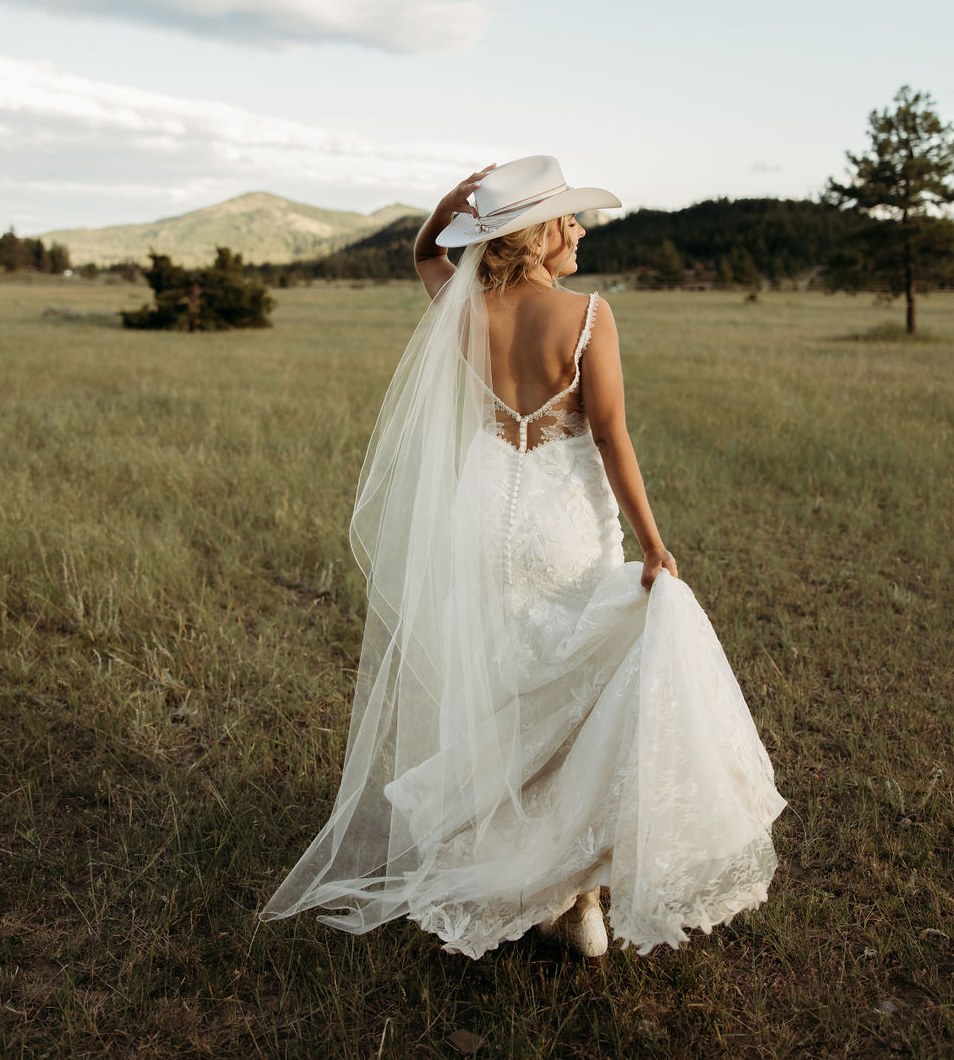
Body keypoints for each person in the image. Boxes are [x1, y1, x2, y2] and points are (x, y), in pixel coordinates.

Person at [261, 156, 786, 960]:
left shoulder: (466, 310)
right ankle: (577, 893)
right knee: (578, 690)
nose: (580, 229)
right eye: (568, 219)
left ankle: (533, 878)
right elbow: (610, 437)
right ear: (536, 234)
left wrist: (453, 202)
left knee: (504, 692)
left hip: (482, 512)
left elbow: (425, 253)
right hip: (561, 520)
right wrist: (655, 545)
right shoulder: (585, 316)